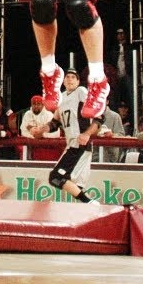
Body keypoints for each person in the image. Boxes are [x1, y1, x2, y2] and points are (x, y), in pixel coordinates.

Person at [47, 68, 103, 203]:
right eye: (67, 77)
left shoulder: (81, 92)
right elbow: (54, 122)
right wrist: (41, 129)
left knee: (56, 177)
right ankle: (88, 205)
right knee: (74, 184)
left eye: (73, 77)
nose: (70, 79)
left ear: (78, 81)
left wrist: (87, 133)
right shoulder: (61, 97)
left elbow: (99, 116)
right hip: (72, 144)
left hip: (80, 144)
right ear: (63, 81)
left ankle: (90, 203)